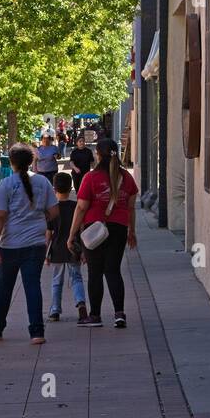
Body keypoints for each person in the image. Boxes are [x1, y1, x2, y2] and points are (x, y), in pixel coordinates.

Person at [0, 145, 58, 345]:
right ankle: (37, 332)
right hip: (36, 243)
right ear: (31, 161)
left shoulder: (6, 184)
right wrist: (39, 218)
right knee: (33, 286)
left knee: (4, 288)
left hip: (10, 244)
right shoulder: (43, 182)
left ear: (12, 162)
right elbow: (54, 212)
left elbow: (0, 216)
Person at [68, 138, 138, 328]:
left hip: (94, 228)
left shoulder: (91, 177)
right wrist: (132, 231)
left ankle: (95, 316)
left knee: (95, 272)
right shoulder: (127, 177)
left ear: (98, 155)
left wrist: (72, 234)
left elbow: (81, 207)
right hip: (119, 228)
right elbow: (131, 207)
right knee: (113, 270)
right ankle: (119, 314)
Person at [45, 173, 87, 324]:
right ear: (71, 188)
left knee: (57, 280)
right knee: (76, 277)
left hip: (57, 249)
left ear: (54, 189)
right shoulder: (76, 207)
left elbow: (48, 234)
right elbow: (82, 229)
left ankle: (55, 310)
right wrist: (83, 251)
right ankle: (81, 304)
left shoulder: (51, 209)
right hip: (74, 247)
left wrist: (46, 253)